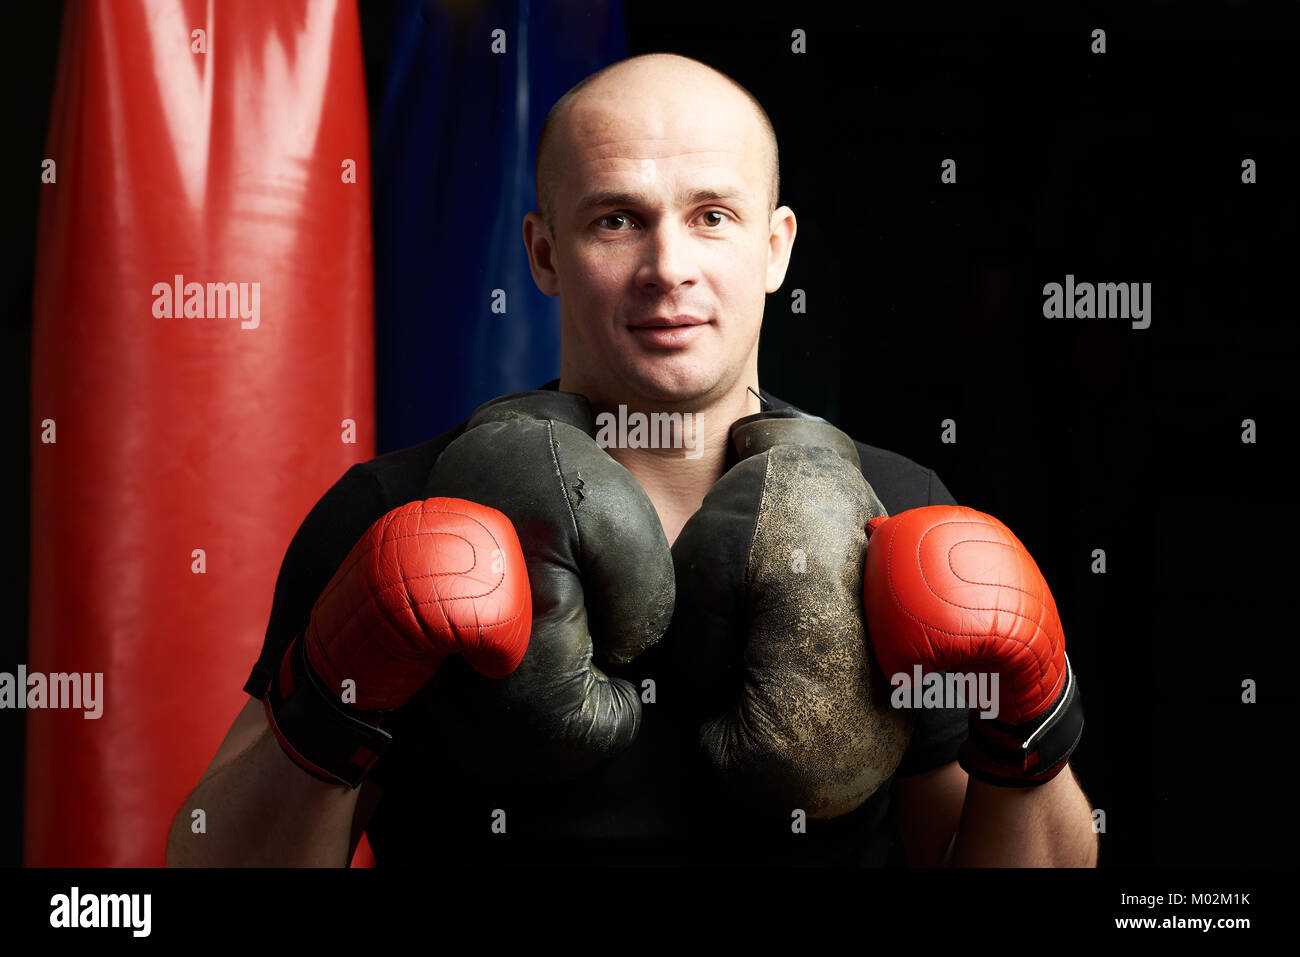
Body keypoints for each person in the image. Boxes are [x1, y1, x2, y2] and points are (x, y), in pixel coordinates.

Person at [166, 52, 1097, 868]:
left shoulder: (892, 506)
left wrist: (1031, 716)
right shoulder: (398, 509)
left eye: (713, 216)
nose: (668, 266)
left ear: (775, 250)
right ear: (542, 251)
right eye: (616, 220)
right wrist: (333, 696)